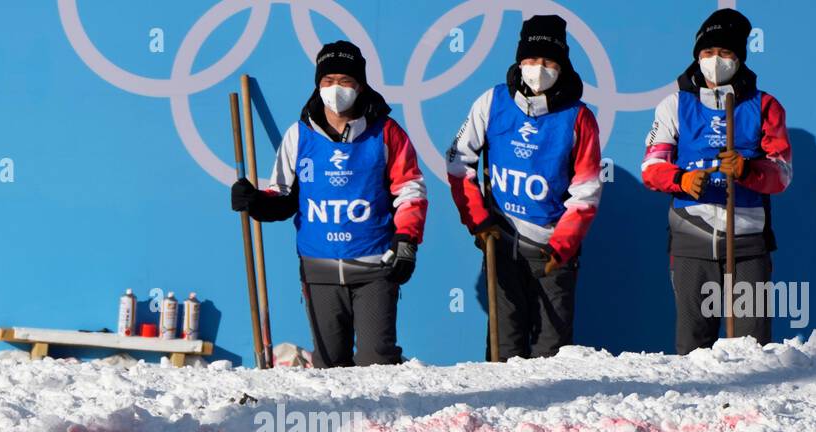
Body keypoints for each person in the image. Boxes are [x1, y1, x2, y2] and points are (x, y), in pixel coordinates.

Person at [230, 41, 428, 368]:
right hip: (318, 268)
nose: (336, 89)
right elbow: (281, 197)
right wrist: (254, 202)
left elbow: (410, 189)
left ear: (360, 85)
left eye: (345, 82)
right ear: (318, 85)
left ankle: (379, 420)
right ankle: (336, 421)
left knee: (375, 359)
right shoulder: (300, 135)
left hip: (374, 266)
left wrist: (407, 240)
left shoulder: (386, 132)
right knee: (329, 364)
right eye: (328, 81)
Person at [446, 14, 602, 360]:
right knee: (503, 348)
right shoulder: (492, 102)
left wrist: (561, 247)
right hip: (500, 243)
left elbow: (587, 192)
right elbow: (459, 164)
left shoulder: (579, 117)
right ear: (519, 61)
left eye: (547, 61)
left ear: (562, 66)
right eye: (530, 60)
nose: (538, 68)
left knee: (552, 352)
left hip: (552, 252)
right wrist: (478, 221)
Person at [641, 8, 793, 354]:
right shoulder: (674, 104)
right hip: (690, 237)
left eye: (725, 53)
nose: (715, 61)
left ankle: (750, 409)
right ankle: (696, 408)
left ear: (739, 58)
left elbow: (782, 173)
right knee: (693, 348)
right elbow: (651, 167)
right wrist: (682, 179)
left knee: (751, 348)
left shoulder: (765, 105)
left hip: (747, 241)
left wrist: (747, 170)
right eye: (708, 53)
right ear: (697, 56)